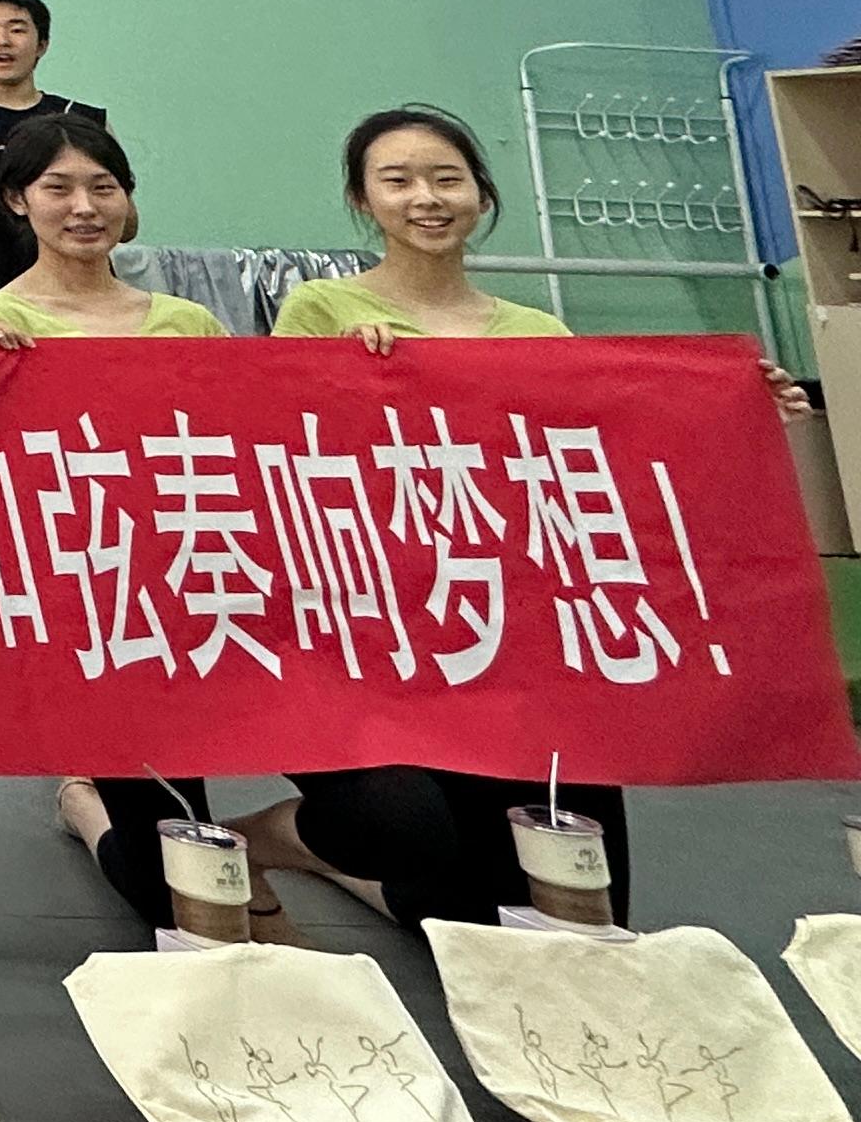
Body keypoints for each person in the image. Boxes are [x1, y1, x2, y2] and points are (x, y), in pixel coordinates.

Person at [234, 106, 800, 934]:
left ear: (481, 193)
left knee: (572, 910)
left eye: (447, 178)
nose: (426, 198)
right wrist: (333, 375)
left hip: (516, 637)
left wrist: (735, 408)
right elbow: (278, 453)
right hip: (379, 639)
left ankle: (352, 872)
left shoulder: (538, 332)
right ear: (362, 200)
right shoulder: (322, 310)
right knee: (420, 840)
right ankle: (275, 839)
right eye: (397, 181)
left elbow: (603, 457)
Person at [0, 115, 255, 936]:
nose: (84, 208)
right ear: (17, 201)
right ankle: (89, 808)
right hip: (93, 599)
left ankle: (217, 852)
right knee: (167, 876)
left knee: (194, 813)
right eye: (59, 189)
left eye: (103, 187)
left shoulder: (188, 323)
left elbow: (252, 437)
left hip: (190, 581)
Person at [0, 0, 100, 302]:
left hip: (85, 292)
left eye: (17, 29)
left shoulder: (82, 119)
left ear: (42, 44)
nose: (2, 41)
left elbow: (126, 225)